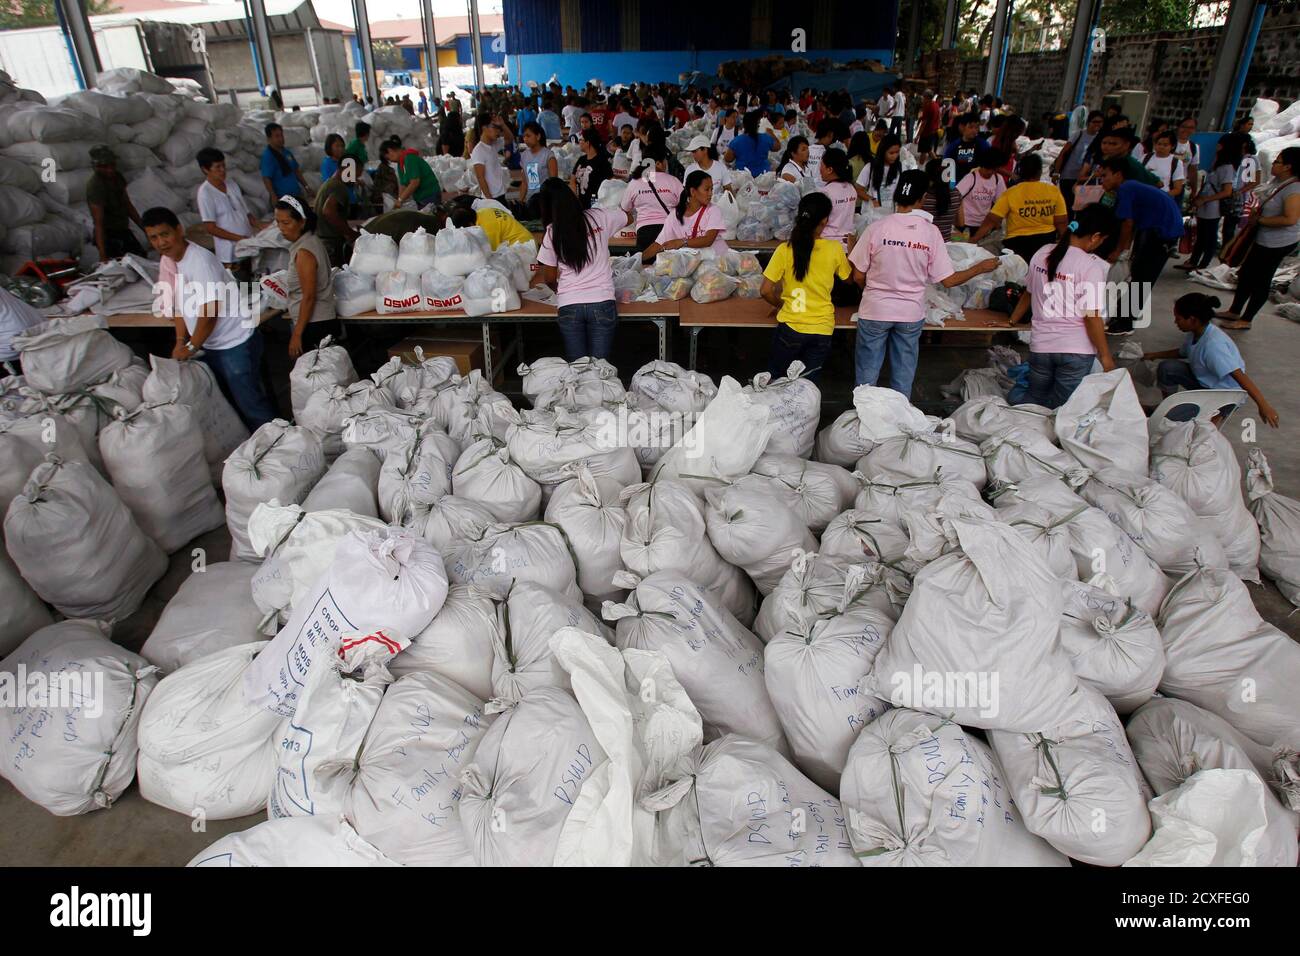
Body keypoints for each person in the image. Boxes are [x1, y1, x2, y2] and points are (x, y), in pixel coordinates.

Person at [849, 171, 998, 396]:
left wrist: (870, 291)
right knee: (903, 376)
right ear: (922, 199)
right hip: (910, 314)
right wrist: (980, 267)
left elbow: (858, 275)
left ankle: (862, 417)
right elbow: (948, 280)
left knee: (866, 377)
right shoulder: (930, 233)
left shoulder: (877, 228)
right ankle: (900, 420)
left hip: (875, 310)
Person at [142, 205, 276, 429]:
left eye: (165, 234)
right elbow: (178, 308)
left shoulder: (200, 261)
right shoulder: (169, 262)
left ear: (179, 229)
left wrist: (192, 346)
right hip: (211, 344)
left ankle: (279, 448)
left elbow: (210, 311)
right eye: (153, 238)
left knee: (251, 404)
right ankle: (255, 448)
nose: (161, 243)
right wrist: (179, 341)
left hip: (234, 341)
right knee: (230, 403)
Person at [1007, 205, 1118, 408]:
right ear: (1095, 236)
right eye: (1102, 240)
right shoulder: (1090, 266)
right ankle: (1051, 438)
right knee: (1063, 409)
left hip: (1041, 346)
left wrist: (1012, 320)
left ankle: (1027, 432)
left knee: (1034, 401)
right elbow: (1091, 316)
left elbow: (1028, 294)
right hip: (1075, 350)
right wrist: (1105, 356)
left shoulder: (1042, 253)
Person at [1143, 292, 1278, 427]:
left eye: (1178, 319)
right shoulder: (1197, 332)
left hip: (1223, 397)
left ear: (1192, 320)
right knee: (1168, 368)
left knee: (1173, 422)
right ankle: (1170, 406)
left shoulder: (1213, 347)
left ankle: (1215, 414)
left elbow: (1240, 377)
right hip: (1205, 383)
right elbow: (1182, 352)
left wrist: (1264, 406)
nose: (1175, 322)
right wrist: (1153, 355)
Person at [535, 177, 631, 361]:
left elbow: (548, 277)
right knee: (600, 369)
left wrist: (561, 290)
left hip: (569, 304)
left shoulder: (552, 233)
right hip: (602, 300)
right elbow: (629, 217)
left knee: (578, 371)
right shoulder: (598, 216)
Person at [759, 191, 850, 380]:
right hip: (822, 329)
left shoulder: (785, 249)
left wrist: (780, 304)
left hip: (790, 326)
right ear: (824, 221)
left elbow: (765, 290)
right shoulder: (834, 249)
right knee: (808, 387)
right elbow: (848, 279)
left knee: (776, 378)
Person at [1096, 157, 1184, 335]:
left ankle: (1125, 323)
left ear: (1118, 174)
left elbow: (1127, 224)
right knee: (1138, 273)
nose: (1102, 181)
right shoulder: (1132, 188)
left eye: (1105, 176)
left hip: (1162, 233)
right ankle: (1122, 316)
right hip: (1158, 229)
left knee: (1142, 277)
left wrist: (1119, 251)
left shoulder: (1126, 189)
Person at [1215, 147, 1300, 330]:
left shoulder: (1294, 189)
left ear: (1288, 167)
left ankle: (1246, 319)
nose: (1274, 164)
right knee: (1246, 274)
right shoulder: (1279, 182)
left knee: (1261, 280)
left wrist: (1261, 219)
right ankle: (1235, 310)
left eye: (1278, 161)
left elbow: (1290, 219)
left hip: (1277, 243)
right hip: (1264, 238)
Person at [970, 153, 1068, 262]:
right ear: (1040, 172)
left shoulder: (1011, 193)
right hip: (1045, 241)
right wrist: (1067, 244)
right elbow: (1061, 222)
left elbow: (992, 219)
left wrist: (974, 239)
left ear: (1021, 172)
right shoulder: (1053, 191)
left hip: (1017, 244)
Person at [274, 195, 337, 360]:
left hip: (314, 324)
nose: (281, 228)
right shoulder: (309, 242)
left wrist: (297, 334)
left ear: (302, 222)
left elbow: (309, 296)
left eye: (286, 223)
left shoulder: (305, 252)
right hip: (316, 322)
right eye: (278, 222)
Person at [1177, 133, 1241, 272]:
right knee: (1201, 235)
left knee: (1209, 236)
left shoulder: (1227, 167)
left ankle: (1204, 263)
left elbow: (1227, 191)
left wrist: (1205, 199)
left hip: (1213, 206)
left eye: (1220, 144)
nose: (1217, 146)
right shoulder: (1217, 163)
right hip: (1204, 205)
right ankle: (1194, 260)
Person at [642, 170, 730, 263]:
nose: (710, 193)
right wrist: (637, 259)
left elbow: (708, 240)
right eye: (707, 189)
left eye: (711, 189)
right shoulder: (675, 215)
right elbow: (659, 244)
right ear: (693, 191)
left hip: (718, 262)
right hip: (695, 265)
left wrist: (681, 242)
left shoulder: (713, 210)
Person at [196, 147, 260, 270]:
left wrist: (261, 225)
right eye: (218, 167)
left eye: (224, 165)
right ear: (205, 169)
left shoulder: (231, 184)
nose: (223, 170)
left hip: (247, 246)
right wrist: (240, 239)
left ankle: (253, 289)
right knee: (239, 286)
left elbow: (246, 213)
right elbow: (210, 228)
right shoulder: (205, 193)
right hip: (230, 254)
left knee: (253, 283)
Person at [86, 146, 145, 261]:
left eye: (112, 165)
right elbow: (99, 223)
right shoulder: (95, 187)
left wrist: (145, 229)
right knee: (120, 266)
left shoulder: (117, 177)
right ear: (95, 167)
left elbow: (127, 205)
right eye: (104, 167)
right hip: (108, 235)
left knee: (140, 259)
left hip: (122, 229)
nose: (110, 170)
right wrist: (103, 255)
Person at [620, 146, 682, 251]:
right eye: (664, 161)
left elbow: (624, 209)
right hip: (669, 231)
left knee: (646, 266)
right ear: (658, 163)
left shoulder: (634, 183)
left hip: (644, 234)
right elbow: (686, 205)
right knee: (669, 265)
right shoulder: (673, 181)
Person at [1052, 110, 1103, 211]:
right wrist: (1056, 173)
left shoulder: (1100, 139)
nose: (1097, 124)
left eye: (1100, 122)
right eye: (1095, 121)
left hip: (1085, 179)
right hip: (1068, 176)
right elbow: (1063, 153)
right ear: (1088, 122)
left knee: (1079, 207)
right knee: (1067, 204)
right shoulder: (1078, 135)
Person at [314, 156, 360, 266]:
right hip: (330, 244)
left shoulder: (329, 183)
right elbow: (329, 212)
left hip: (323, 240)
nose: (356, 178)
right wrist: (350, 233)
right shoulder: (338, 187)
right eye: (356, 174)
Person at [955, 147, 1007, 236]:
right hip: (966, 223)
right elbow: (955, 196)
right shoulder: (971, 178)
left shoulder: (998, 179)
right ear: (982, 165)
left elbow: (1002, 202)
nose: (990, 172)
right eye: (987, 169)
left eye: (994, 169)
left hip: (983, 225)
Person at [382, 137, 440, 210]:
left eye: (388, 158)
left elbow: (415, 182)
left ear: (390, 151)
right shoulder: (400, 164)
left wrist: (400, 200)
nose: (390, 161)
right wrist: (399, 200)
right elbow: (403, 185)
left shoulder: (410, 158)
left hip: (429, 195)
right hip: (420, 198)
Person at [260, 123, 309, 207]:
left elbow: (296, 171)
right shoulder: (268, 157)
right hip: (283, 198)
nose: (281, 139)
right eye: (277, 136)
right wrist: (273, 196)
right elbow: (266, 178)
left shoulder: (286, 152)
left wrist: (306, 187)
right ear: (269, 139)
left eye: (281, 135)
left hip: (296, 194)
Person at [817, 148, 857, 248]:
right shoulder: (851, 188)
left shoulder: (826, 192)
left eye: (821, 165)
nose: (819, 169)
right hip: (847, 244)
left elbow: (820, 221)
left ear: (830, 169)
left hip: (828, 244)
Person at [516, 121, 557, 218]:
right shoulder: (524, 155)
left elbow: (554, 183)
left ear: (538, 137)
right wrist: (520, 203)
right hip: (530, 203)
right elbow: (524, 183)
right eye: (524, 136)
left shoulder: (548, 155)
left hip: (545, 203)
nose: (525, 139)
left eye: (528, 136)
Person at [855, 134, 902, 210]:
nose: (895, 156)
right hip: (873, 214)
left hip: (891, 213)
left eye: (897, 152)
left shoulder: (900, 167)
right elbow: (858, 190)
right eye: (891, 153)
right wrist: (872, 200)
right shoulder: (870, 167)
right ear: (883, 151)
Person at [726, 110, 779, 178]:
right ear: (758, 124)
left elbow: (728, 159)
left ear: (743, 125)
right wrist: (771, 133)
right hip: (763, 177)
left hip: (743, 178)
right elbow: (778, 147)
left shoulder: (736, 141)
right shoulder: (765, 138)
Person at [471, 114, 511, 202]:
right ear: (484, 128)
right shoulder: (478, 151)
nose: (498, 131)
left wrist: (503, 125)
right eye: (495, 127)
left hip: (501, 193)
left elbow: (509, 139)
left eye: (498, 128)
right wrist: (490, 201)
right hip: (491, 197)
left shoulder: (494, 144)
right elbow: (480, 178)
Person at [571, 127, 612, 208]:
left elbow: (610, 183)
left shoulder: (602, 162)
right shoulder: (581, 159)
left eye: (581, 140)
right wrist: (575, 199)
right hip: (580, 204)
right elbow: (572, 180)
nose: (579, 142)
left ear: (588, 142)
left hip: (595, 205)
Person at [943, 112, 989, 184]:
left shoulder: (983, 144)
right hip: (957, 185)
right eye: (970, 127)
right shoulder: (953, 146)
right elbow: (946, 167)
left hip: (977, 185)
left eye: (976, 127)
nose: (974, 130)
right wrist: (951, 186)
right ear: (962, 127)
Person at [1140, 131, 1186, 199]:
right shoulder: (1145, 157)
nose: (1161, 147)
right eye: (1159, 144)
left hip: (1162, 198)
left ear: (1172, 146)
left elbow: (1177, 189)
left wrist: (1163, 196)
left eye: (1165, 145)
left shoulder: (1176, 162)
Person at [919, 158, 956, 241]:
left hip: (923, 244)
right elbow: (961, 222)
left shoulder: (923, 196)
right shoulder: (956, 194)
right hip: (945, 243)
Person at [916, 91, 941, 161]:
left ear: (927, 97)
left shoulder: (928, 106)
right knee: (929, 150)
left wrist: (917, 135)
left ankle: (920, 169)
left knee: (924, 152)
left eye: (924, 97)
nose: (922, 99)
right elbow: (938, 118)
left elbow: (924, 123)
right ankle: (938, 163)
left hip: (926, 133)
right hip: (933, 131)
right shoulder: (936, 105)